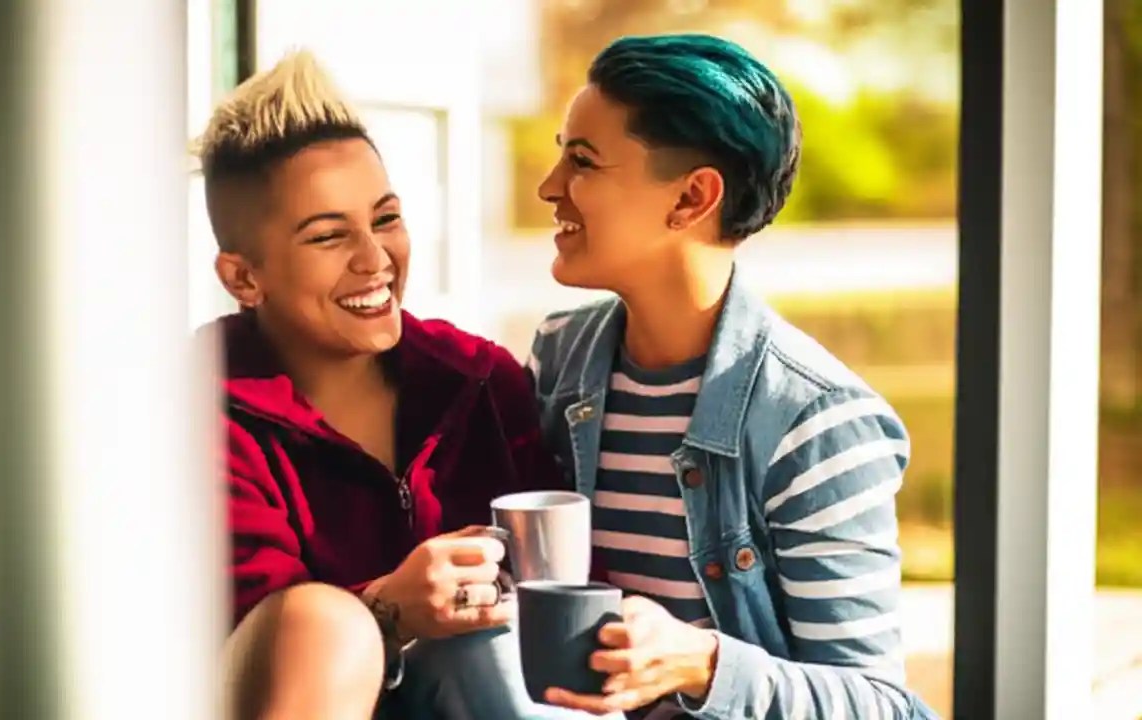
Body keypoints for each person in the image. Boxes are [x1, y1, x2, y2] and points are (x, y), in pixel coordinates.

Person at [526, 34, 939, 719]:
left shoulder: (815, 421)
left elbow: (878, 704)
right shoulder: (556, 361)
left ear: (691, 197)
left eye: (583, 161)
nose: (549, 186)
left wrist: (699, 662)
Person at [195, 50, 602, 720]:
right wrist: (388, 607)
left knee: (488, 651)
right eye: (328, 237)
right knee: (319, 623)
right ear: (243, 278)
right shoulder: (193, 414)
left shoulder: (480, 381)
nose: (375, 259)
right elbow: (241, 646)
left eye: (385, 219)